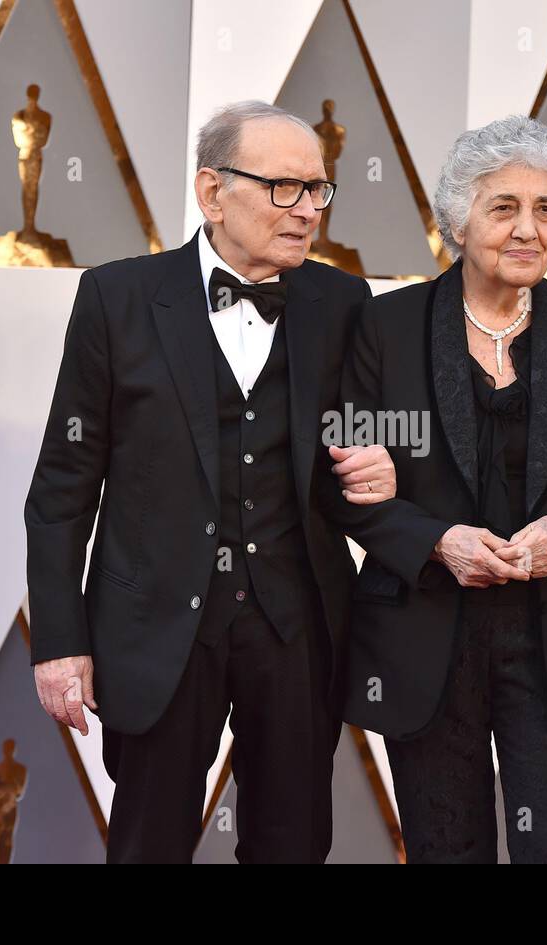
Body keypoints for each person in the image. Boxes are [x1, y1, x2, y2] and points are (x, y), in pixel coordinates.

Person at [24, 100, 396, 863]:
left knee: (291, 845)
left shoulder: (343, 303)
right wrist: (59, 642)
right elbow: (64, 485)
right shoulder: (116, 297)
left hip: (296, 625)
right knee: (148, 845)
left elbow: (357, 453)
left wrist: (384, 461)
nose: (306, 211)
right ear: (211, 191)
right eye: (283, 188)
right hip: (158, 625)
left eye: (318, 191)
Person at [325, 115, 547, 862]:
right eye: (502, 207)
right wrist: (437, 541)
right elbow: (343, 482)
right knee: (447, 850)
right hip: (426, 636)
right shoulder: (387, 326)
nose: (528, 229)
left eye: (545, 209)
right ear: (457, 219)